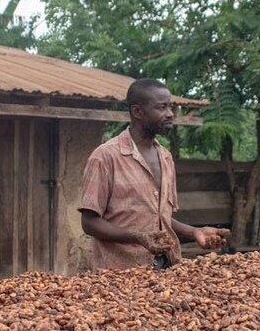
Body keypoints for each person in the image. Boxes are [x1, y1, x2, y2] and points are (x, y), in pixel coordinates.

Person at [80, 78, 230, 270]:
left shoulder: (166, 158)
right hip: (120, 275)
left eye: (170, 107)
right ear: (137, 112)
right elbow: (89, 223)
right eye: (162, 108)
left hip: (167, 269)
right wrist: (138, 237)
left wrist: (194, 232)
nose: (170, 114)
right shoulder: (105, 157)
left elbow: (160, 217)